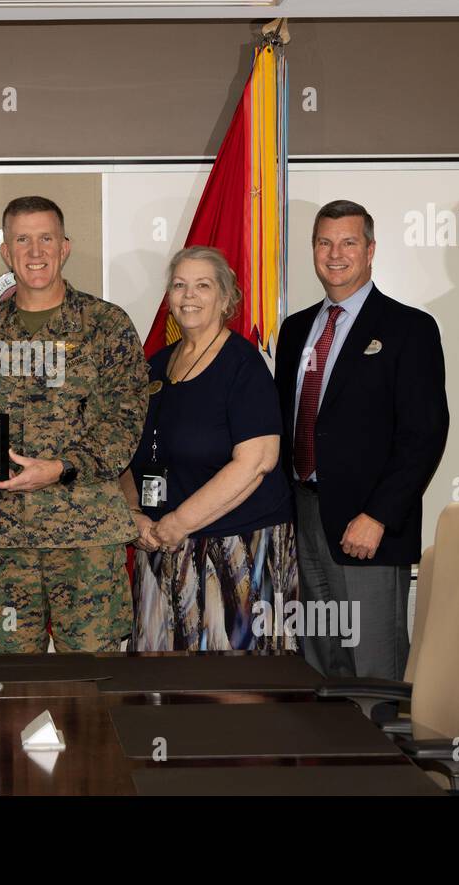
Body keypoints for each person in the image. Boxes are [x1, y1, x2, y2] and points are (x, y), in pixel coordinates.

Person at [0, 195, 147, 653]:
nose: (35, 251)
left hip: (87, 538)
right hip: (3, 541)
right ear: (6, 252)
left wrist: (60, 468)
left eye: (46, 238)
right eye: (22, 239)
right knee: (12, 684)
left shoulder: (106, 326)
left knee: (90, 682)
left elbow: (124, 425)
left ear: (65, 246)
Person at [275, 200, 448, 680]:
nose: (335, 254)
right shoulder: (295, 331)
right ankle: (330, 757)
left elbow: (424, 434)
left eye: (348, 242)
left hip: (367, 524)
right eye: (324, 243)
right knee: (320, 663)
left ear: (370, 251)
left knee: (373, 668)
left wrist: (378, 516)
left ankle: (387, 756)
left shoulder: (408, 328)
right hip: (304, 515)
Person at [120, 248, 297, 652]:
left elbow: (257, 461)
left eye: (203, 286)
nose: (189, 296)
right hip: (162, 546)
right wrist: (135, 515)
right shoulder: (155, 366)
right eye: (179, 285)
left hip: (236, 550)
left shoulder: (243, 366)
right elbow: (129, 456)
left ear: (226, 297)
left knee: (230, 689)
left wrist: (179, 522)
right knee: (160, 685)